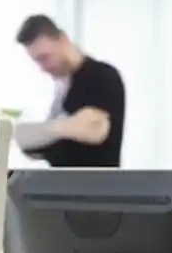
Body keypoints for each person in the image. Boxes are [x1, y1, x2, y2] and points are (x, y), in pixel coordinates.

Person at [13, 14, 125, 167]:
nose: (43, 67)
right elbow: (51, 145)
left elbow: (95, 129)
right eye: (37, 61)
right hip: (63, 185)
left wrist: (41, 131)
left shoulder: (101, 76)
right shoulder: (62, 90)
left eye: (45, 58)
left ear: (63, 39)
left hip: (97, 187)